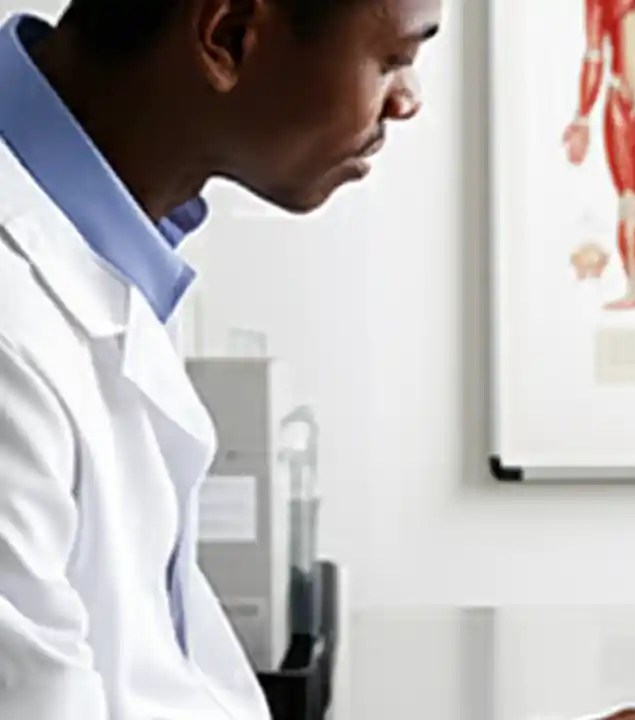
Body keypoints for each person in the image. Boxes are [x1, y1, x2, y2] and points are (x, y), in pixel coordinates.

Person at [0, 0, 439, 716]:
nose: (408, 101)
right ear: (227, 36)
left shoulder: (108, 239)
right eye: (393, 59)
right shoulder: (13, 317)